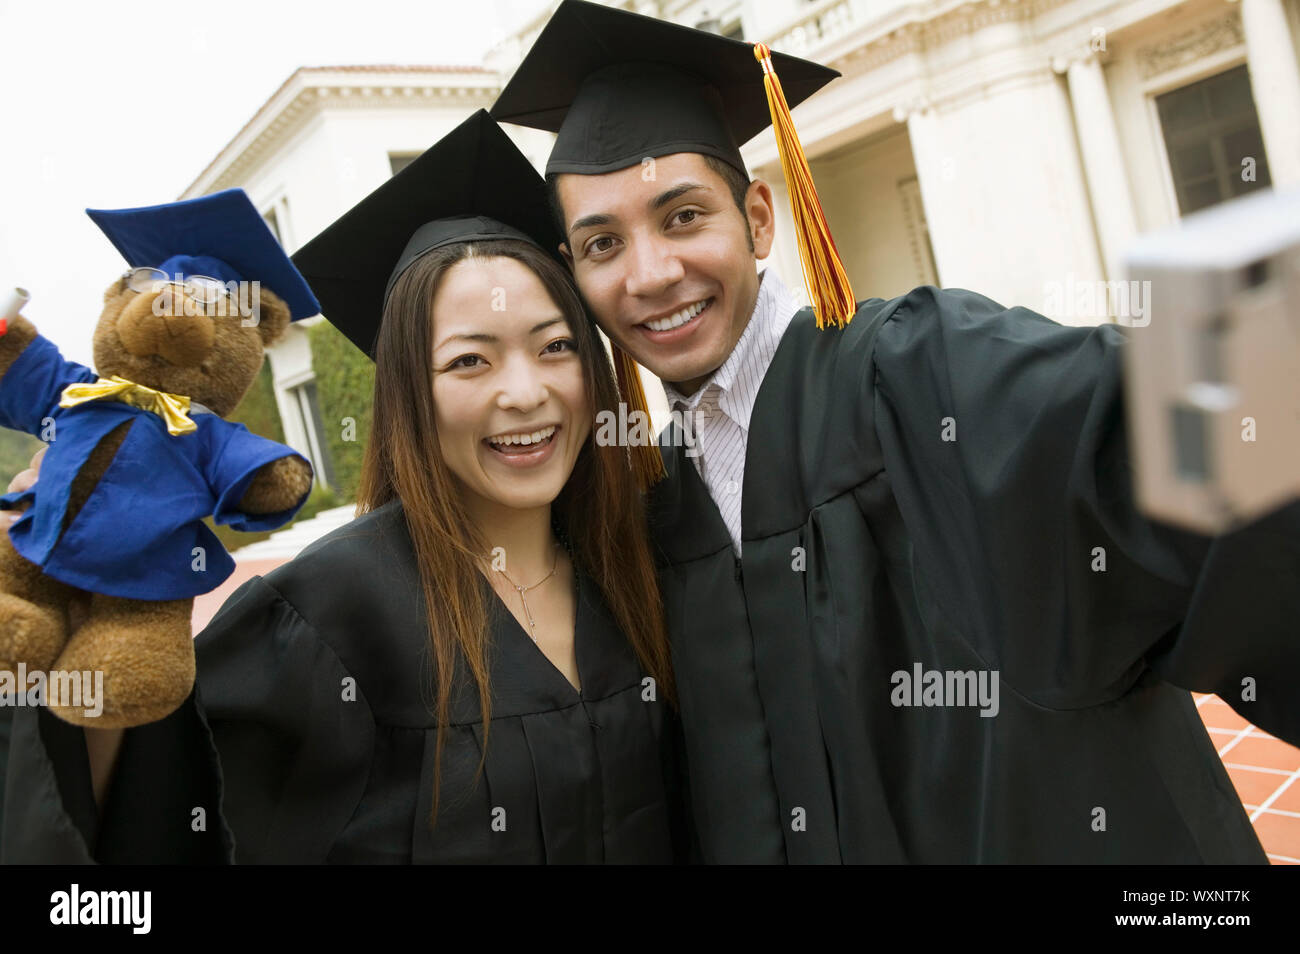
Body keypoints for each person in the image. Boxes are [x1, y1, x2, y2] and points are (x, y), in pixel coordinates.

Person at [491, 0, 1300, 863]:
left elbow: (1160, 415)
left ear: (760, 219)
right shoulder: (651, 504)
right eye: (603, 243)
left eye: (683, 216)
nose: (651, 273)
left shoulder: (920, 371)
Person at [0, 110, 685, 864]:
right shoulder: (325, 612)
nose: (524, 393)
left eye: (556, 346)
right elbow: (153, 805)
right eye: (469, 361)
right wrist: (86, 586)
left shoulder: (644, 568)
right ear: (407, 396)